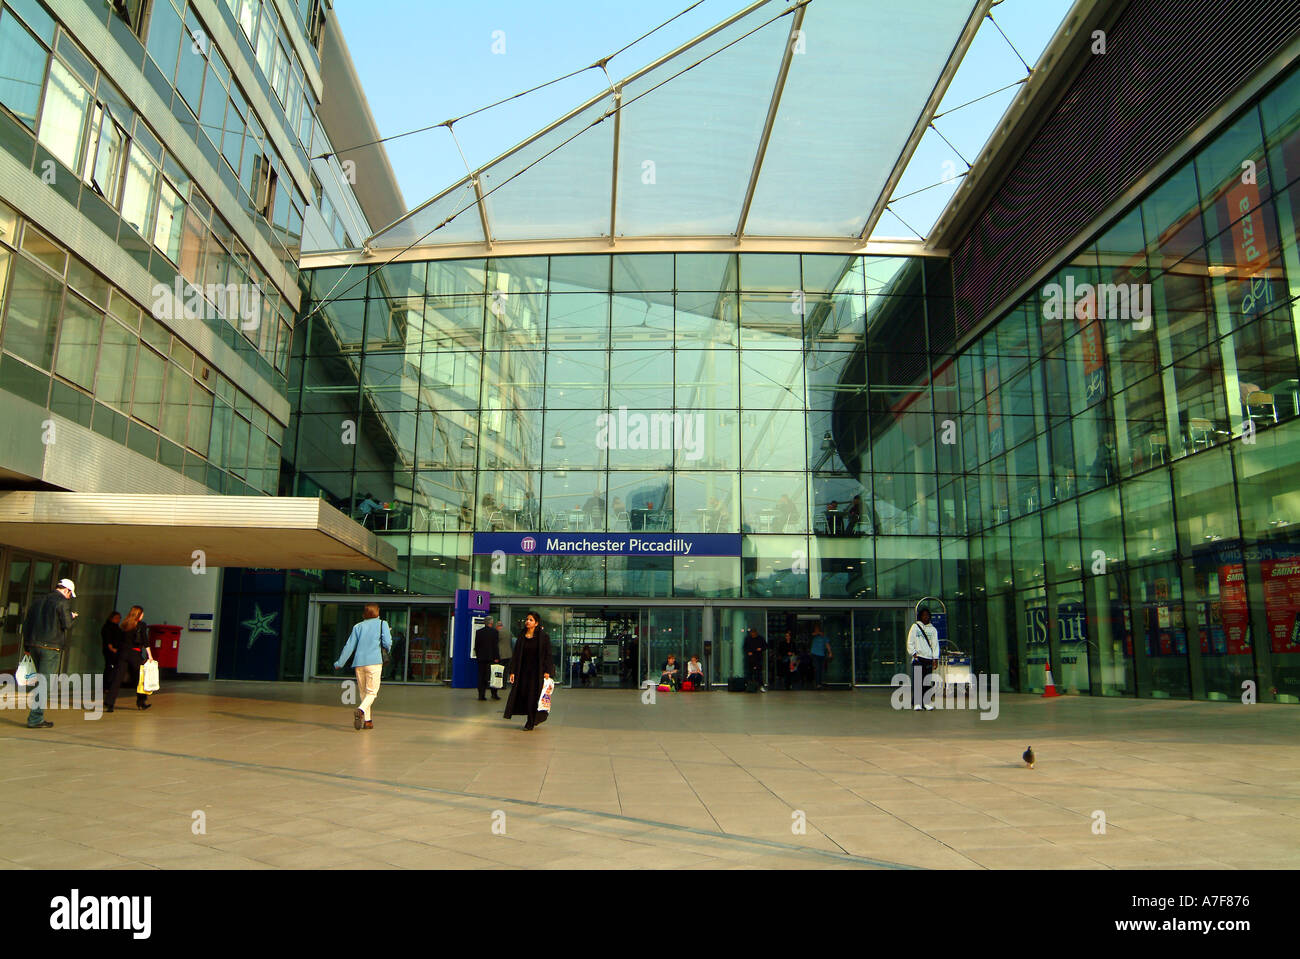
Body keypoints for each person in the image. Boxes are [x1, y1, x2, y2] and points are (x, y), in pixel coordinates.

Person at [21, 578, 77, 728]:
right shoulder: (62, 602)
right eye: (70, 595)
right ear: (67, 590)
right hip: (51, 647)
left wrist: (27, 646)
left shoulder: (38, 600)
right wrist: (71, 617)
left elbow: (27, 624)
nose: (69, 598)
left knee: (40, 681)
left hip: (34, 645)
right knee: (44, 683)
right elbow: (67, 625)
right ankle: (35, 718)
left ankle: (35, 714)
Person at [333, 603, 392, 730]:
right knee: (372, 693)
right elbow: (387, 642)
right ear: (377, 612)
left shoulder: (358, 626)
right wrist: (388, 648)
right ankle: (360, 711)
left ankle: (368, 721)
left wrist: (340, 663)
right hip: (374, 662)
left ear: (364, 613)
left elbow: (349, 646)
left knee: (363, 692)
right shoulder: (383, 624)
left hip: (359, 663)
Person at [504, 612, 553, 731]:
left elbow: (548, 655)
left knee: (533, 696)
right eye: (527, 619)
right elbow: (516, 655)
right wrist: (512, 671)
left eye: (531, 620)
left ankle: (530, 722)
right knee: (523, 695)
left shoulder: (543, 637)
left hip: (537, 672)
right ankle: (532, 718)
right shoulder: (521, 637)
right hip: (523, 672)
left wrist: (547, 670)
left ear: (536, 623)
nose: (528, 621)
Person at [105, 605, 155, 713]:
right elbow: (145, 641)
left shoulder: (124, 624)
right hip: (134, 653)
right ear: (139, 615)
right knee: (140, 678)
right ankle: (141, 702)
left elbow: (119, 640)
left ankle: (110, 703)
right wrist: (150, 656)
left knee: (117, 678)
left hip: (122, 653)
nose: (143, 615)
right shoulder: (141, 625)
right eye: (142, 614)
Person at [907, 607, 941, 711]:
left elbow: (935, 645)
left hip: (929, 658)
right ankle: (917, 703)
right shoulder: (915, 627)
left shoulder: (933, 629)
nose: (925, 617)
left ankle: (926, 703)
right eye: (923, 615)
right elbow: (910, 642)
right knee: (918, 681)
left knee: (927, 682)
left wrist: (935, 658)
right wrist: (913, 653)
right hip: (918, 658)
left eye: (927, 615)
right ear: (920, 616)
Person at [476, 617, 501, 701]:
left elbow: (476, 646)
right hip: (492, 658)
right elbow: (495, 646)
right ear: (491, 622)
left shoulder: (479, 632)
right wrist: (497, 657)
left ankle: (481, 695)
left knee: (481, 676)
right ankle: (494, 694)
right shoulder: (494, 632)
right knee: (493, 675)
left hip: (481, 658)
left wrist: (478, 656)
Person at [100, 611, 122, 693]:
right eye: (116, 618)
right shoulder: (109, 627)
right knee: (110, 668)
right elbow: (107, 638)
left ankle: (108, 685)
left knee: (112, 668)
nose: (118, 620)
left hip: (114, 650)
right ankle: (106, 686)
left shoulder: (116, 627)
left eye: (119, 618)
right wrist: (111, 648)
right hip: (111, 650)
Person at [742, 627, 767, 692]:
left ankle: (760, 686)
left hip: (758, 658)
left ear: (756, 633)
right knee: (749, 673)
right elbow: (744, 647)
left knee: (759, 673)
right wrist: (748, 652)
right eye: (751, 633)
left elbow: (765, 646)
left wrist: (760, 649)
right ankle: (749, 686)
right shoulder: (748, 639)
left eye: (753, 633)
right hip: (750, 658)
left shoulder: (760, 639)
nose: (752, 634)